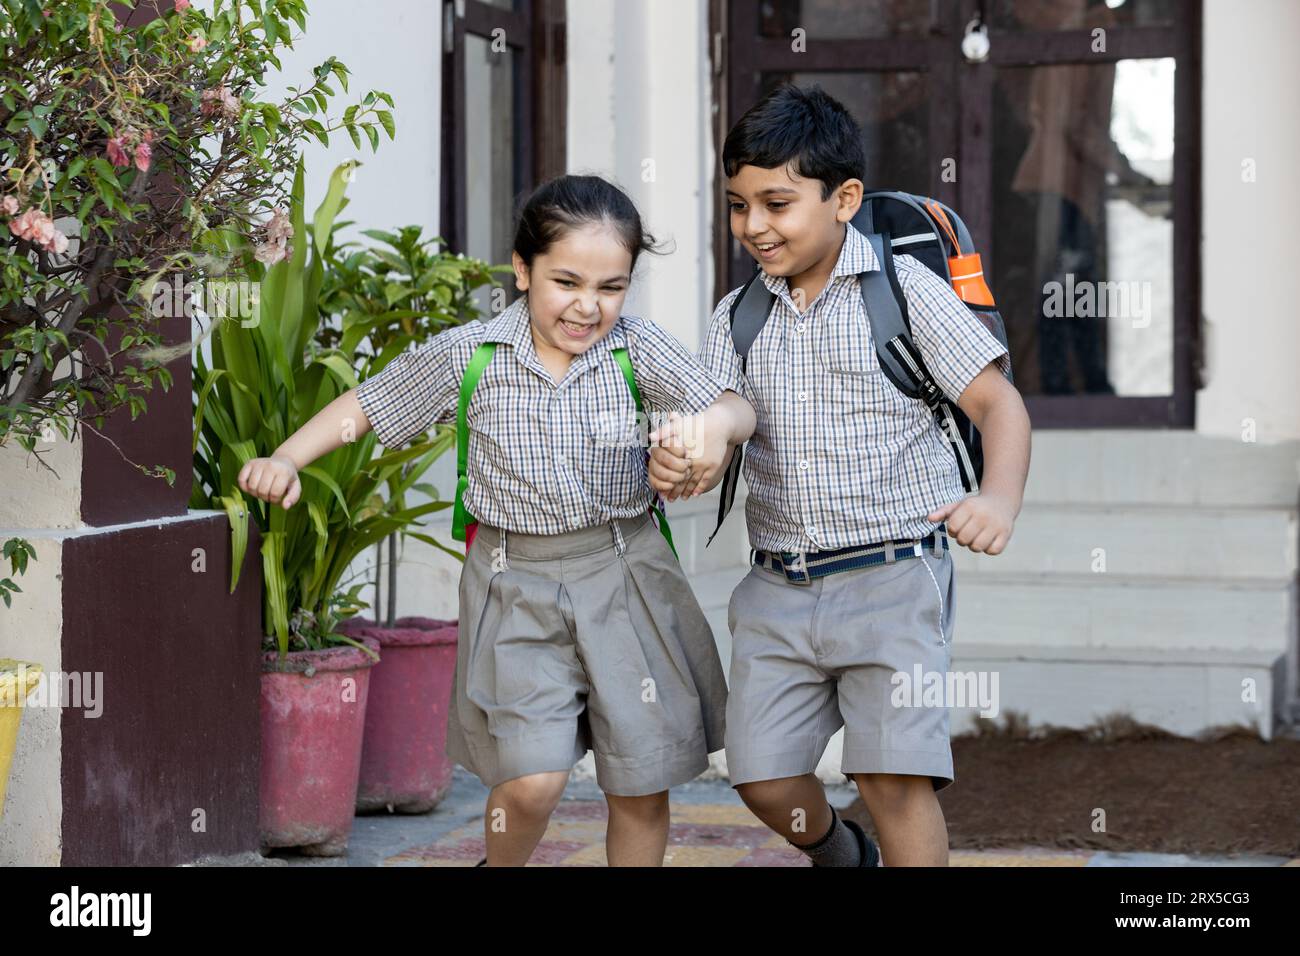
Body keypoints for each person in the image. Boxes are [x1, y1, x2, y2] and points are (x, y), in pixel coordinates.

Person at [238, 174, 755, 866]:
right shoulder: (472, 354)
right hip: (515, 586)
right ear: (522, 269)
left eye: (611, 287)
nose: (588, 306)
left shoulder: (640, 348)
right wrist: (287, 457)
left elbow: (735, 405)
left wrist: (710, 433)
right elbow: (370, 403)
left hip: (628, 576)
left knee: (641, 782)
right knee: (532, 779)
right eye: (566, 281)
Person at [651, 85, 1031, 866]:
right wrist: (696, 447)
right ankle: (840, 854)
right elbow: (726, 407)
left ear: (844, 199)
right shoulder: (737, 314)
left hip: (895, 577)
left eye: (777, 203)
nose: (753, 226)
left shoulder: (903, 292)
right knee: (759, 774)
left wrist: (997, 498)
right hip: (778, 589)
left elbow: (1000, 405)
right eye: (737, 205)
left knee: (893, 776)